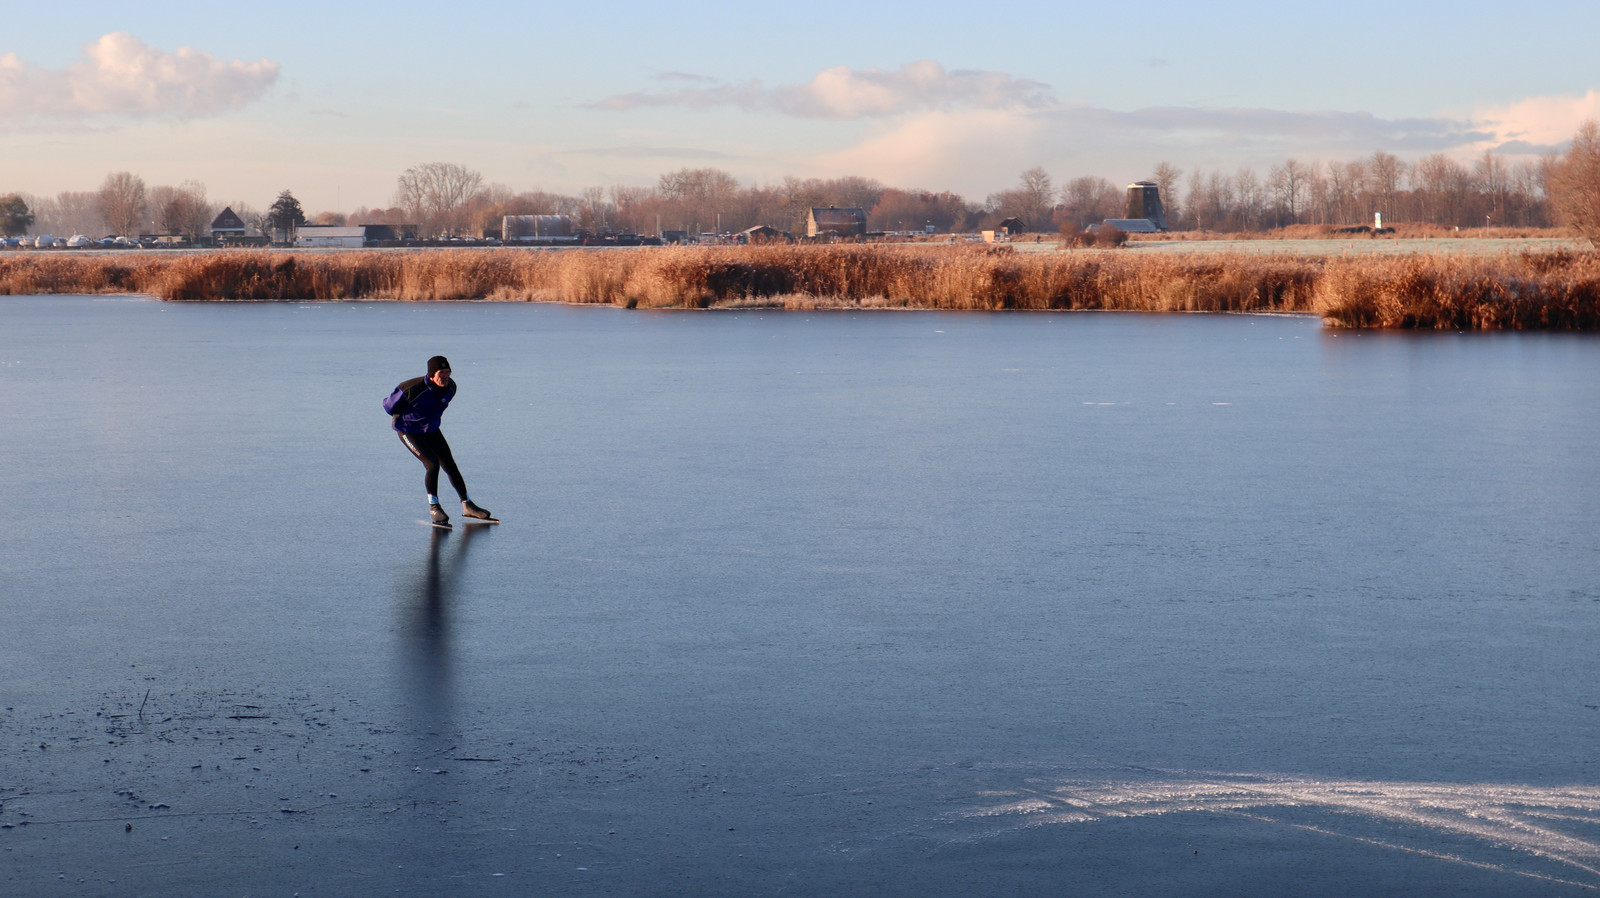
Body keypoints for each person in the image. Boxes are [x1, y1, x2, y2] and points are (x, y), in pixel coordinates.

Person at [384, 355, 492, 525]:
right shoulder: (411, 388)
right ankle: (434, 507)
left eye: (448, 372)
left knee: (450, 464)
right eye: (441, 372)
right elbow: (389, 407)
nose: (445, 376)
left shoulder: (451, 388)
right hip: (408, 430)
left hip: (431, 429)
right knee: (432, 464)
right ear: (432, 374)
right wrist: (409, 416)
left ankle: (467, 505)